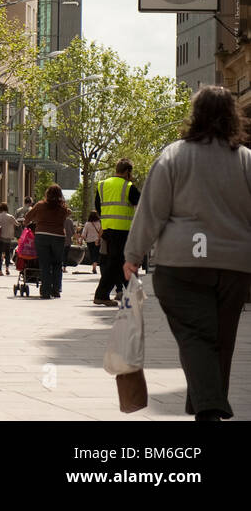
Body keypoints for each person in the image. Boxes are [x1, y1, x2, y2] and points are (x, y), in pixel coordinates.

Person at [123, 86, 251, 419]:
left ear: (195, 116)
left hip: (182, 264)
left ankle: (207, 405)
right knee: (222, 340)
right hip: (235, 265)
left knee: (195, 335)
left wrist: (133, 255)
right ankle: (205, 406)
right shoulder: (246, 160)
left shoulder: (174, 155)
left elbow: (152, 210)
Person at [93, 159, 141, 307]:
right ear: (127, 172)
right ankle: (102, 294)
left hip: (107, 229)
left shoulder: (102, 185)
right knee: (116, 262)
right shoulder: (128, 187)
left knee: (119, 261)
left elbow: (98, 207)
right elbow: (141, 204)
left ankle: (131, 291)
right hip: (123, 230)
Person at [23, 185, 71, 299]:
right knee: (57, 264)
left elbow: (27, 217)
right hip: (58, 236)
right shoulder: (63, 209)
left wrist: (28, 222)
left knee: (45, 264)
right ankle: (56, 289)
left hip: (42, 235)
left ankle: (45, 291)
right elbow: (68, 213)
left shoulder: (40, 205)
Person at [0, 202, 18, 275]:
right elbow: (17, 224)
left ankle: (0, 271)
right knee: (7, 253)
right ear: (7, 208)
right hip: (8, 237)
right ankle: (7, 268)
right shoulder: (10, 216)